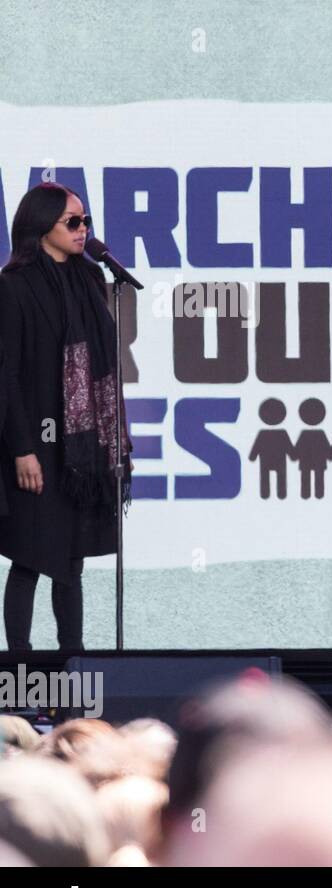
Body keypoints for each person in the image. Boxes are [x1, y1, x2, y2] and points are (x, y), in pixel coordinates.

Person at [0, 182, 131, 651]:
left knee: (71, 560)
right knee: (31, 557)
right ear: (42, 227)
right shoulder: (12, 286)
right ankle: (18, 666)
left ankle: (72, 661)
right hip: (35, 444)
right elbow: (6, 374)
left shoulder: (91, 280)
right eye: (72, 222)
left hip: (82, 449)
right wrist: (21, 450)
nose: (82, 231)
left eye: (85, 221)